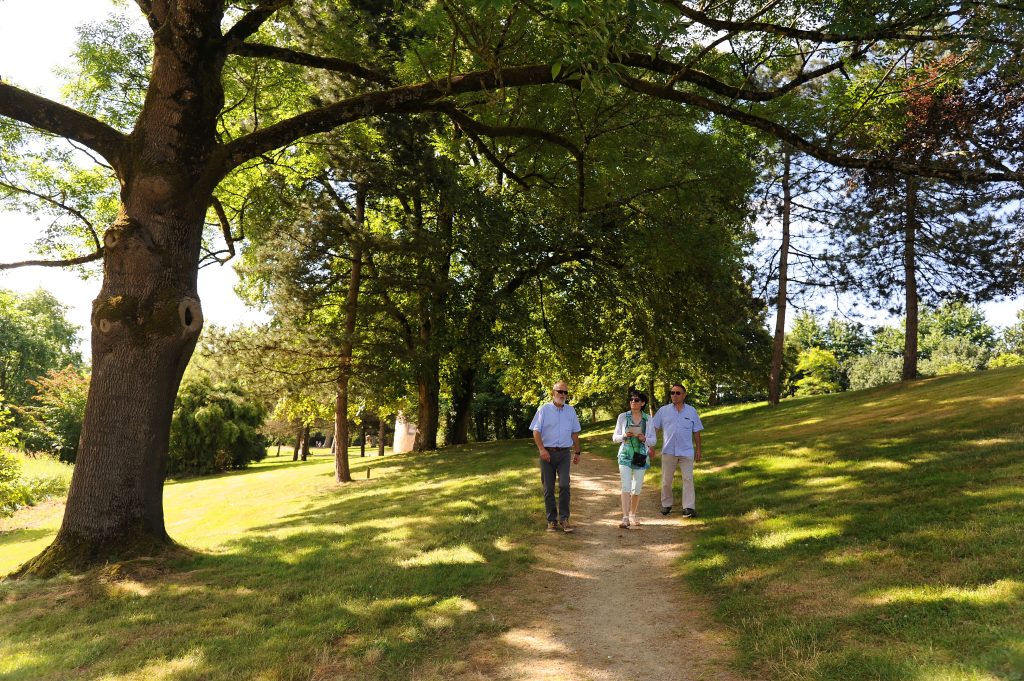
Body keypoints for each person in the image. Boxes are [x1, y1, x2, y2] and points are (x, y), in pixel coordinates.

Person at [530, 380, 582, 533]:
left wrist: (577, 452)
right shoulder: (543, 409)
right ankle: (551, 520)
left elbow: (574, 433)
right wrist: (541, 450)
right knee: (548, 488)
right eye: (560, 392)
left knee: (565, 485)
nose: (563, 395)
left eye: (566, 392)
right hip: (547, 453)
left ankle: (564, 519)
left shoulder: (571, 411)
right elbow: (536, 432)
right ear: (553, 392)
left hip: (564, 453)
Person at [649, 383, 704, 518]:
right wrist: (650, 446)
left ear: (684, 395)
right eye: (672, 393)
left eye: (677, 393)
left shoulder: (692, 411)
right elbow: (654, 428)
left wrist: (698, 450)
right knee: (666, 480)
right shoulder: (663, 411)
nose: (674, 395)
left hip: (686, 452)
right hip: (668, 451)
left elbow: (696, 431)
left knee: (688, 479)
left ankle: (689, 508)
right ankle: (666, 505)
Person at [611, 391, 656, 529]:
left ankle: (633, 514)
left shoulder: (648, 419)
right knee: (625, 485)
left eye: (636, 400)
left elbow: (653, 440)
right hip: (625, 454)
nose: (633, 402)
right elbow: (614, 438)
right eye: (631, 400)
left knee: (636, 488)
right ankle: (625, 518)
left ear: (642, 403)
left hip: (641, 456)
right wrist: (624, 436)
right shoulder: (623, 417)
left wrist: (645, 439)